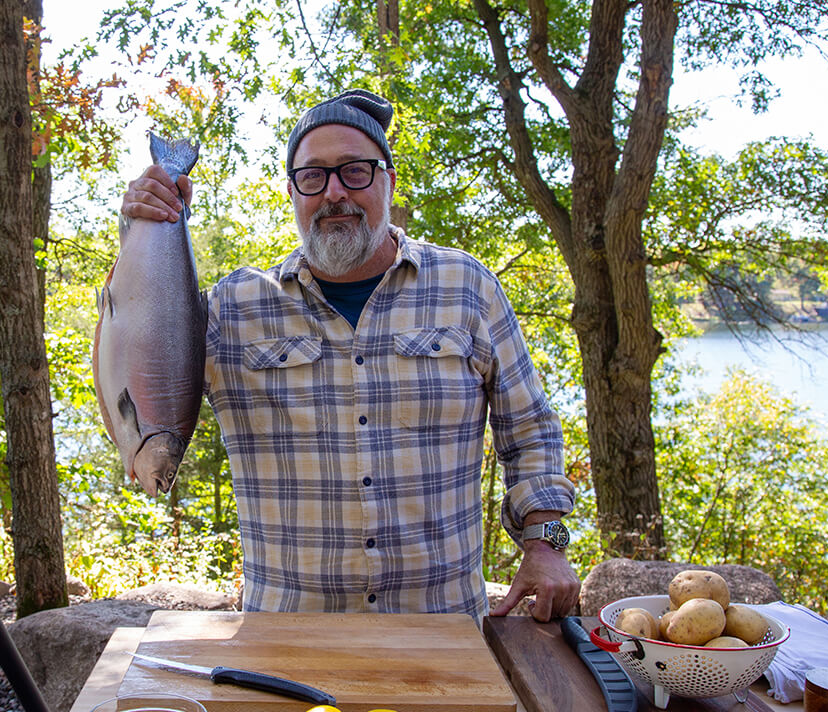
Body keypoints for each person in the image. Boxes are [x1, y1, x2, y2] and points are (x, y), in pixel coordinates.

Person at [119, 88, 578, 623]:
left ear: (388, 179)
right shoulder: (231, 309)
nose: (334, 192)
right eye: (313, 176)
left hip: (446, 633)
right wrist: (140, 227)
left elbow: (531, 430)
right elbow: (136, 360)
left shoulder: (466, 287)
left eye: (355, 171)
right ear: (293, 192)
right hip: (287, 640)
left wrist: (546, 544)